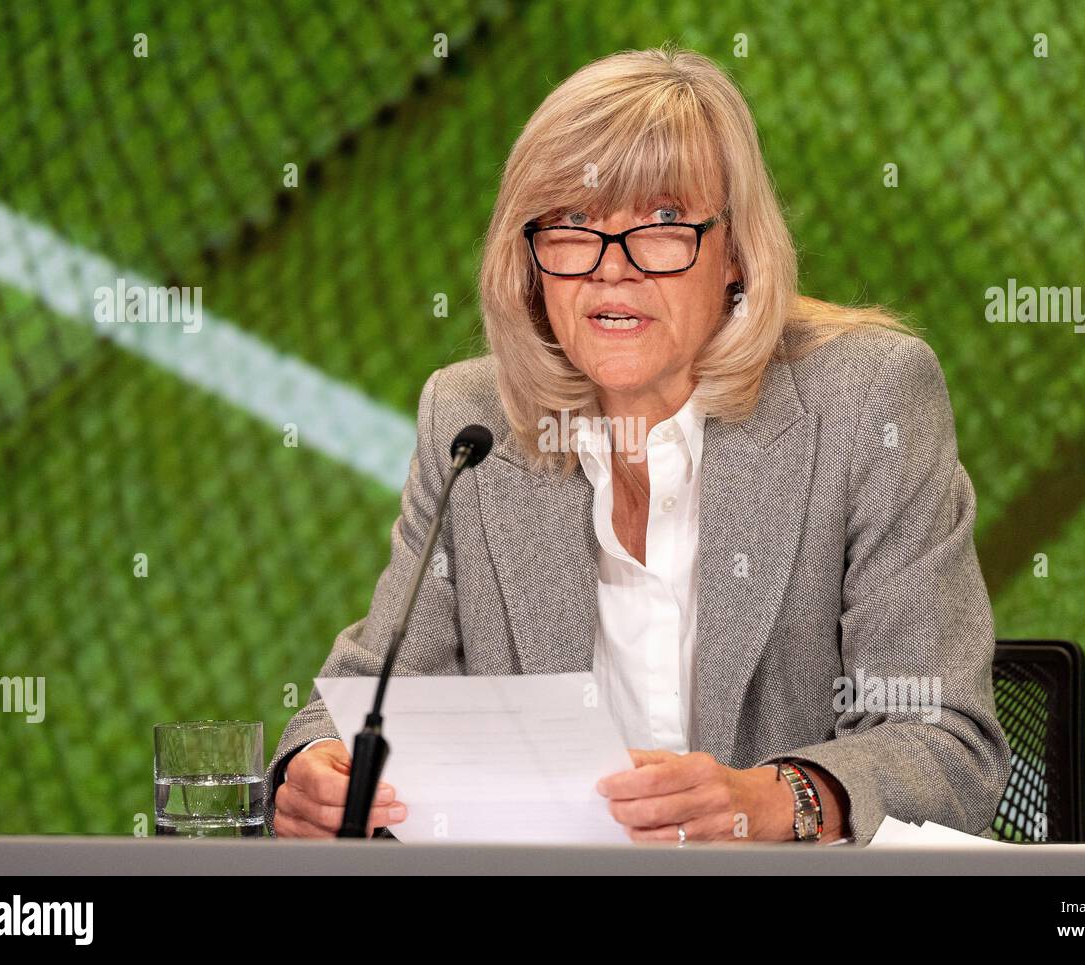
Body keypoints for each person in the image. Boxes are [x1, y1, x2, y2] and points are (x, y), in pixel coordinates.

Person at [268, 46, 1010, 845]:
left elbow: (947, 746)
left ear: (734, 253)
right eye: (574, 226)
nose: (611, 271)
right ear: (530, 264)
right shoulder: (470, 421)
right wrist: (314, 765)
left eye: (660, 225)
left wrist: (769, 798)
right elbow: (365, 693)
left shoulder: (866, 400)